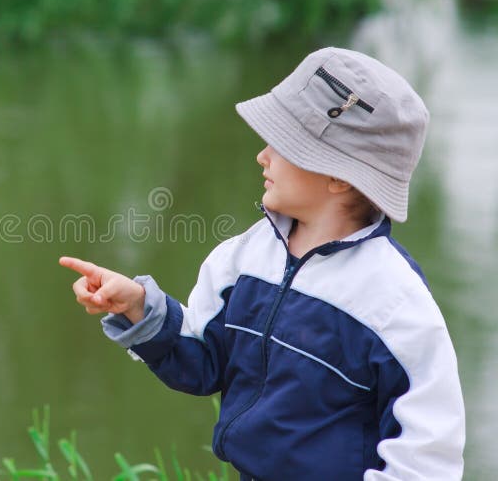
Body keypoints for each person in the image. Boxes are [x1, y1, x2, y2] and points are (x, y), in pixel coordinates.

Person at [59, 47, 466, 480]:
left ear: (339, 177)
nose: (262, 155)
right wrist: (139, 307)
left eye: (283, 142)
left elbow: (428, 454)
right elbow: (203, 360)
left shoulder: (394, 302)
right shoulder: (247, 256)